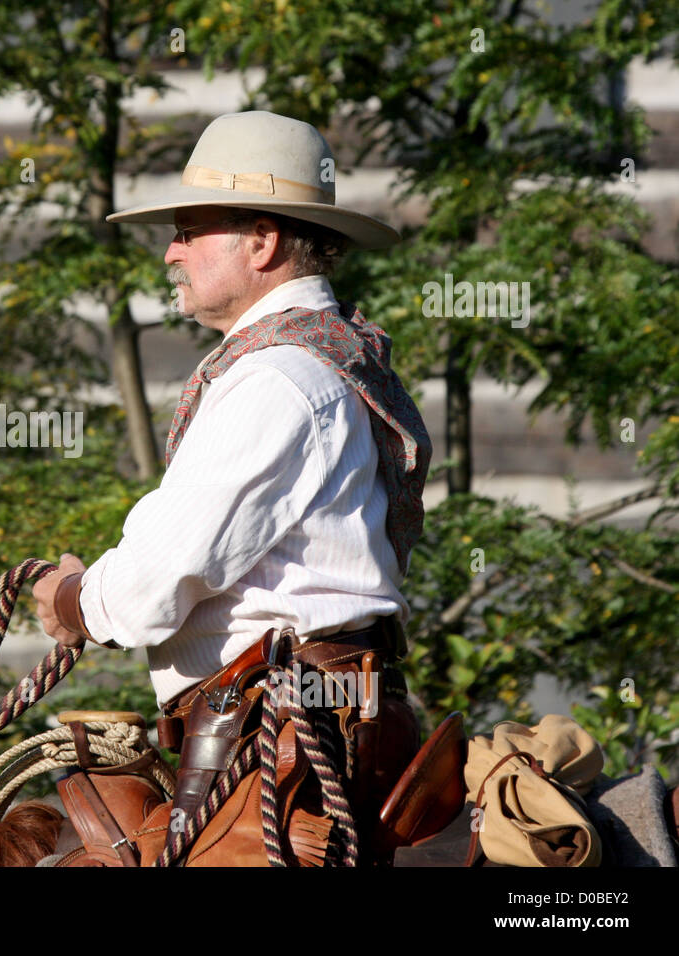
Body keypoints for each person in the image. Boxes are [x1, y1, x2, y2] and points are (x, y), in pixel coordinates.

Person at [31, 111, 433, 865]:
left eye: (188, 229)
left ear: (262, 240)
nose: (170, 253)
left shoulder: (277, 379)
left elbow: (156, 584)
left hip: (279, 744)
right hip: (305, 725)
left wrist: (74, 601)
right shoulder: (320, 359)